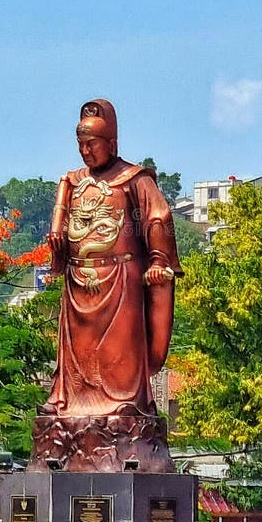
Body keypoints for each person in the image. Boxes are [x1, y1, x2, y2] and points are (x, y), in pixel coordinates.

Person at [43, 98, 183, 417]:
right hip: (79, 281)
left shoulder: (133, 179)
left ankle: (124, 400)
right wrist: (58, 242)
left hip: (120, 279)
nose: (85, 151)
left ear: (111, 143)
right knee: (79, 354)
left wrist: (158, 260)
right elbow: (63, 227)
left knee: (118, 351)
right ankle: (70, 402)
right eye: (81, 145)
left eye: (91, 144)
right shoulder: (73, 182)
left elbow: (158, 216)